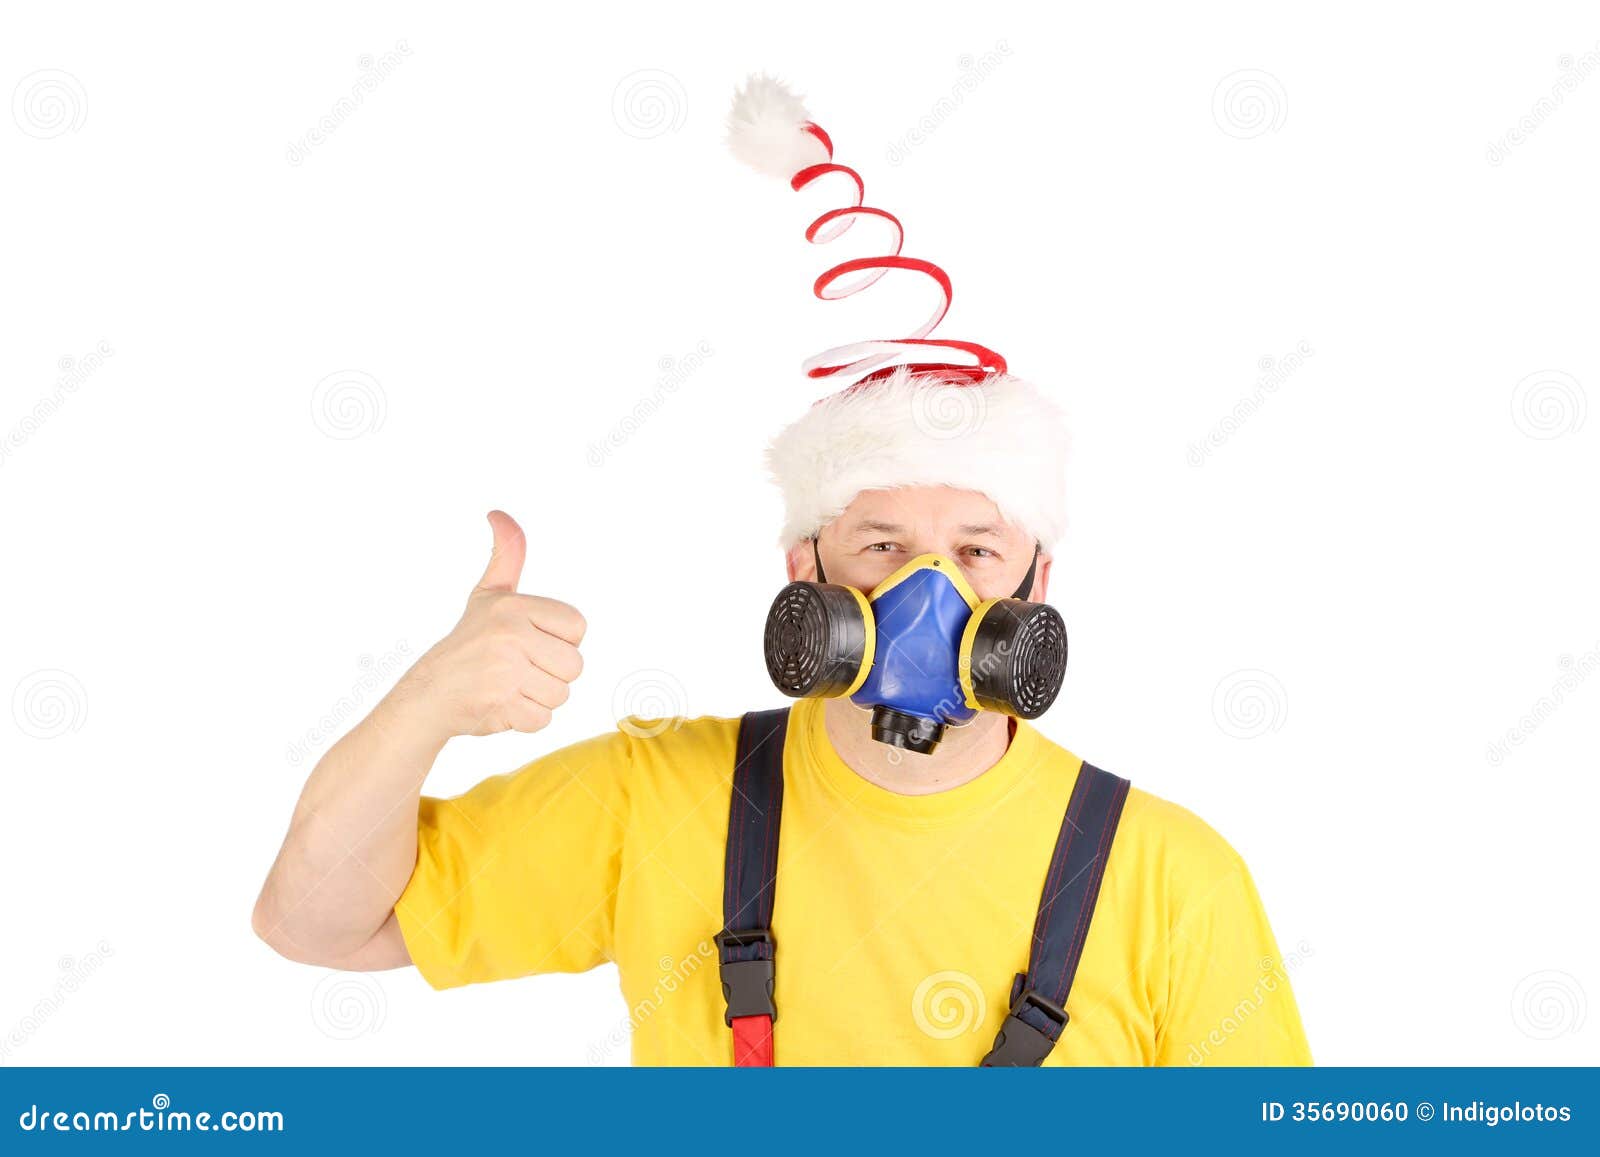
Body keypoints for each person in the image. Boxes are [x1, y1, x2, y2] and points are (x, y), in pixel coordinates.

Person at [252, 76, 1312, 1067]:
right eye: (883, 545)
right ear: (805, 565)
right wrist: (426, 700)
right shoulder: (657, 798)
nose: (928, 597)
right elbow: (314, 923)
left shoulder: (1170, 877)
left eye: (977, 551)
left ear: (1037, 586)